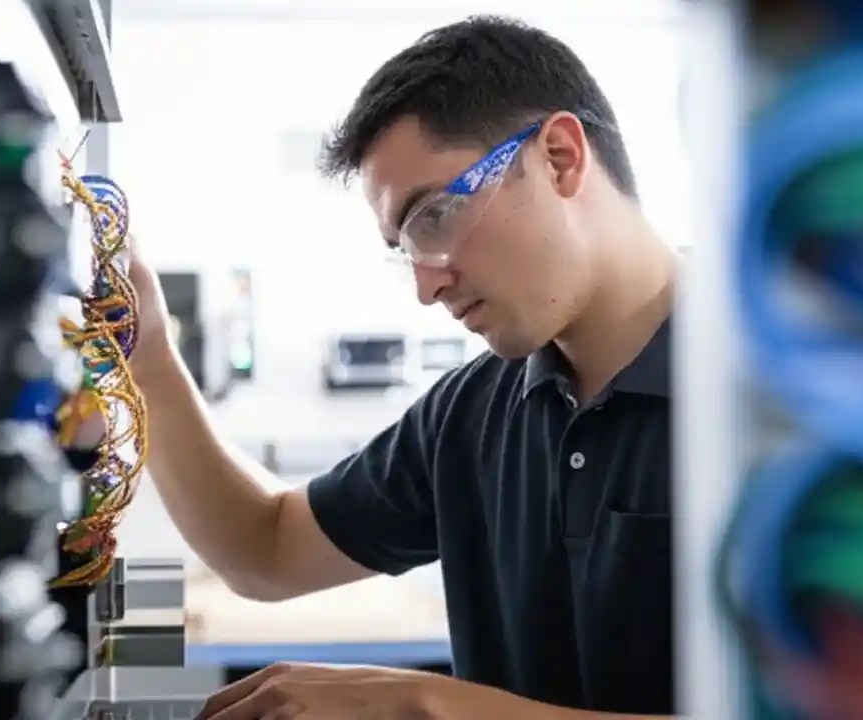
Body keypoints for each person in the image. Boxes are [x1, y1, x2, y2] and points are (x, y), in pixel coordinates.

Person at [130, 15, 680, 720]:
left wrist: (426, 704)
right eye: (407, 248)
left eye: (434, 219)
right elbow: (264, 549)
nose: (427, 285)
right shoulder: (472, 415)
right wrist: (147, 354)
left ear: (561, 156)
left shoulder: (779, 401)